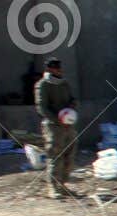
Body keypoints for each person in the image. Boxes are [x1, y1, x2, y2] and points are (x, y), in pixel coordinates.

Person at [34, 58, 79, 199]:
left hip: (68, 125)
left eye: (59, 67)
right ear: (49, 69)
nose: (59, 70)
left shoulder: (64, 83)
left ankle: (63, 185)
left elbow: (72, 99)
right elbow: (42, 107)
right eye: (55, 68)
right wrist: (57, 120)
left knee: (69, 154)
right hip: (53, 126)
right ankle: (53, 187)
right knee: (55, 156)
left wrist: (72, 106)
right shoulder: (43, 85)